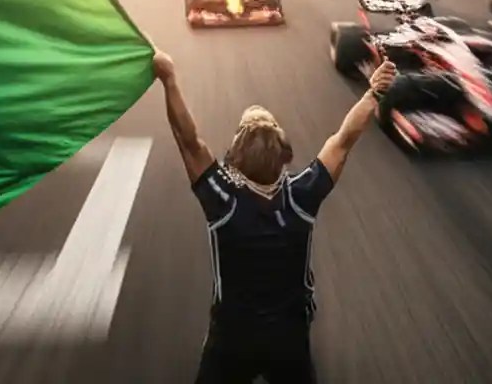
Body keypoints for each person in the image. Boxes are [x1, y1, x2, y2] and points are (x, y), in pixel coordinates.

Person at [152, 50, 397, 384]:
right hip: (289, 339)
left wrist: (168, 79)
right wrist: (373, 93)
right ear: (284, 156)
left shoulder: (222, 200)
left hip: (232, 340)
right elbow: (343, 140)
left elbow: (188, 140)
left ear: (233, 157)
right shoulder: (301, 196)